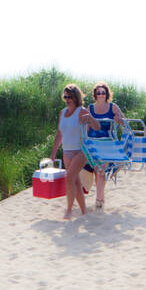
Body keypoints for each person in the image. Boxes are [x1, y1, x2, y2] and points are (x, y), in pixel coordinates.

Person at [82, 81, 125, 208]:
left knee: (101, 171)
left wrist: (118, 119)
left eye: (103, 92)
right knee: (97, 171)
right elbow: (87, 128)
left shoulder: (112, 107)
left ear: (107, 94)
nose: (101, 95)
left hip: (107, 144)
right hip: (93, 143)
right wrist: (84, 142)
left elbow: (123, 122)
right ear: (95, 94)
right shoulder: (90, 108)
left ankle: (99, 199)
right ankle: (100, 198)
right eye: (98, 92)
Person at [49, 83, 88, 219]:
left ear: (76, 97)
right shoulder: (62, 113)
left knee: (69, 178)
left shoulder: (82, 111)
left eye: (70, 96)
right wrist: (53, 154)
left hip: (80, 151)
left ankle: (69, 210)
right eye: (65, 96)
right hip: (67, 151)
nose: (67, 99)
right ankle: (84, 212)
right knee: (76, 182)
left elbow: (89, 131)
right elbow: (59, 134)